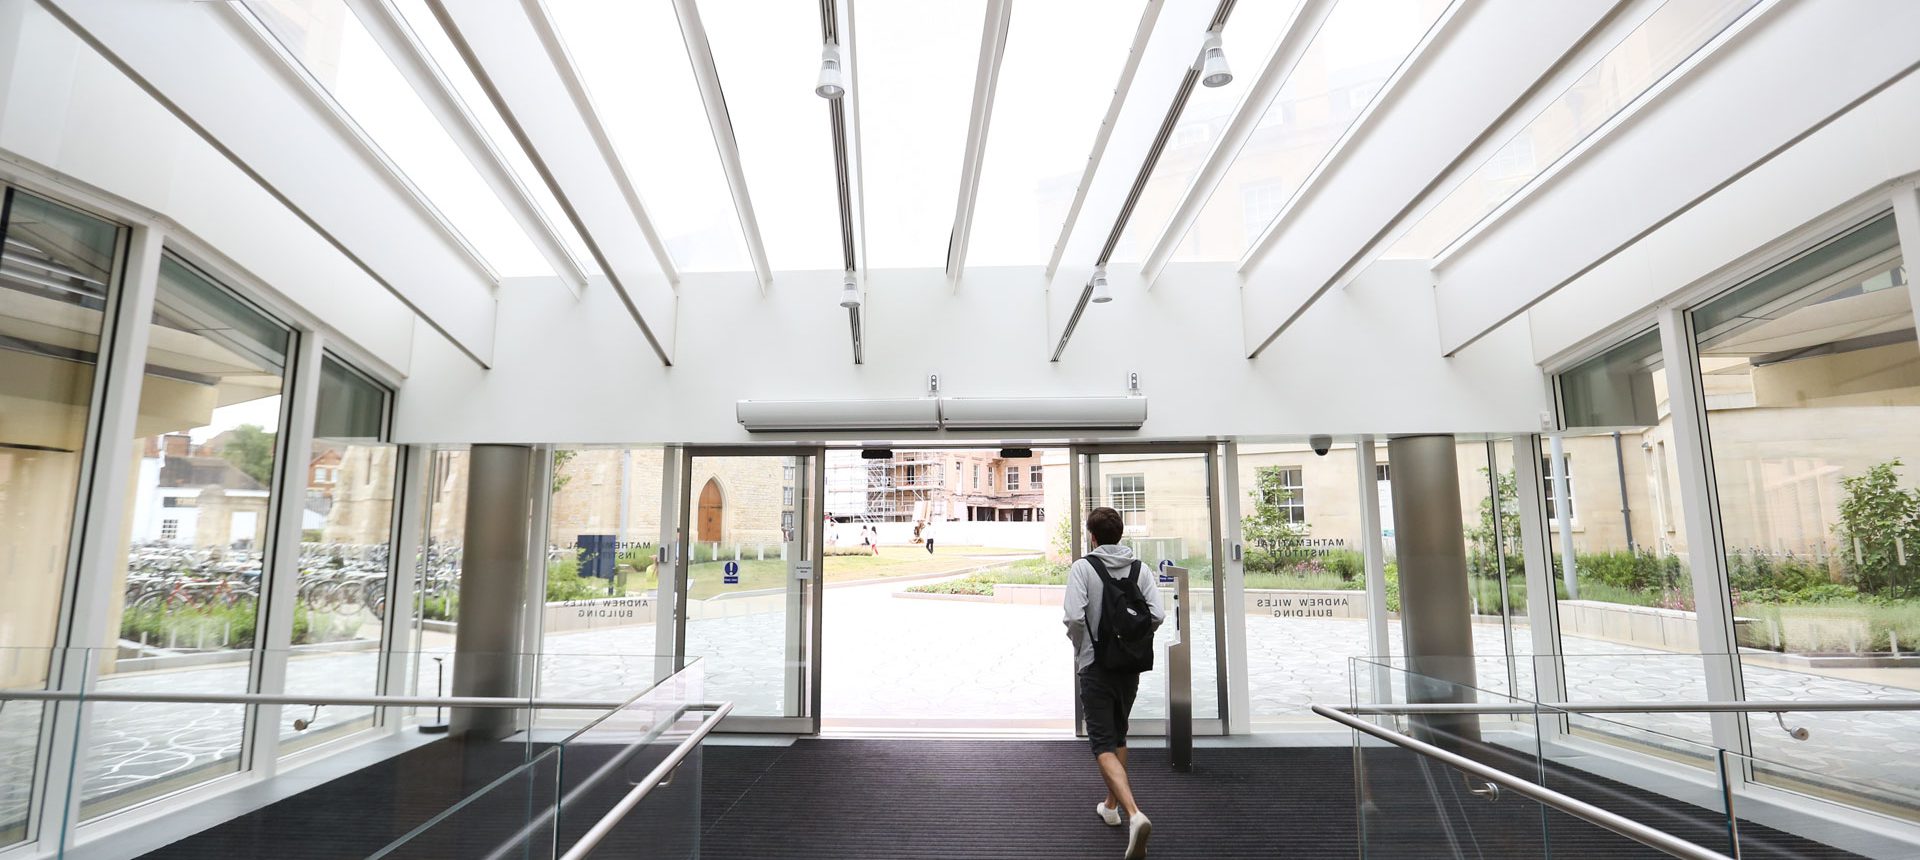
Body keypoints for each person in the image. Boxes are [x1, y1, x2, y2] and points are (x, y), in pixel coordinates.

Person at [1063, 507, 1164, 859]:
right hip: (1129, 667)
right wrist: (1132, 642)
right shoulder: (1141, 569)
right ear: (1120, 534)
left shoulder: (1083, 568)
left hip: (1096, 666)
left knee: (1102, 743)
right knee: (1119, 733)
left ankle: (1135, 814)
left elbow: (1074, 616)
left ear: (1092, 536)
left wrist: (1083, 648)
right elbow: (1158, 614)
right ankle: (1111, 806)